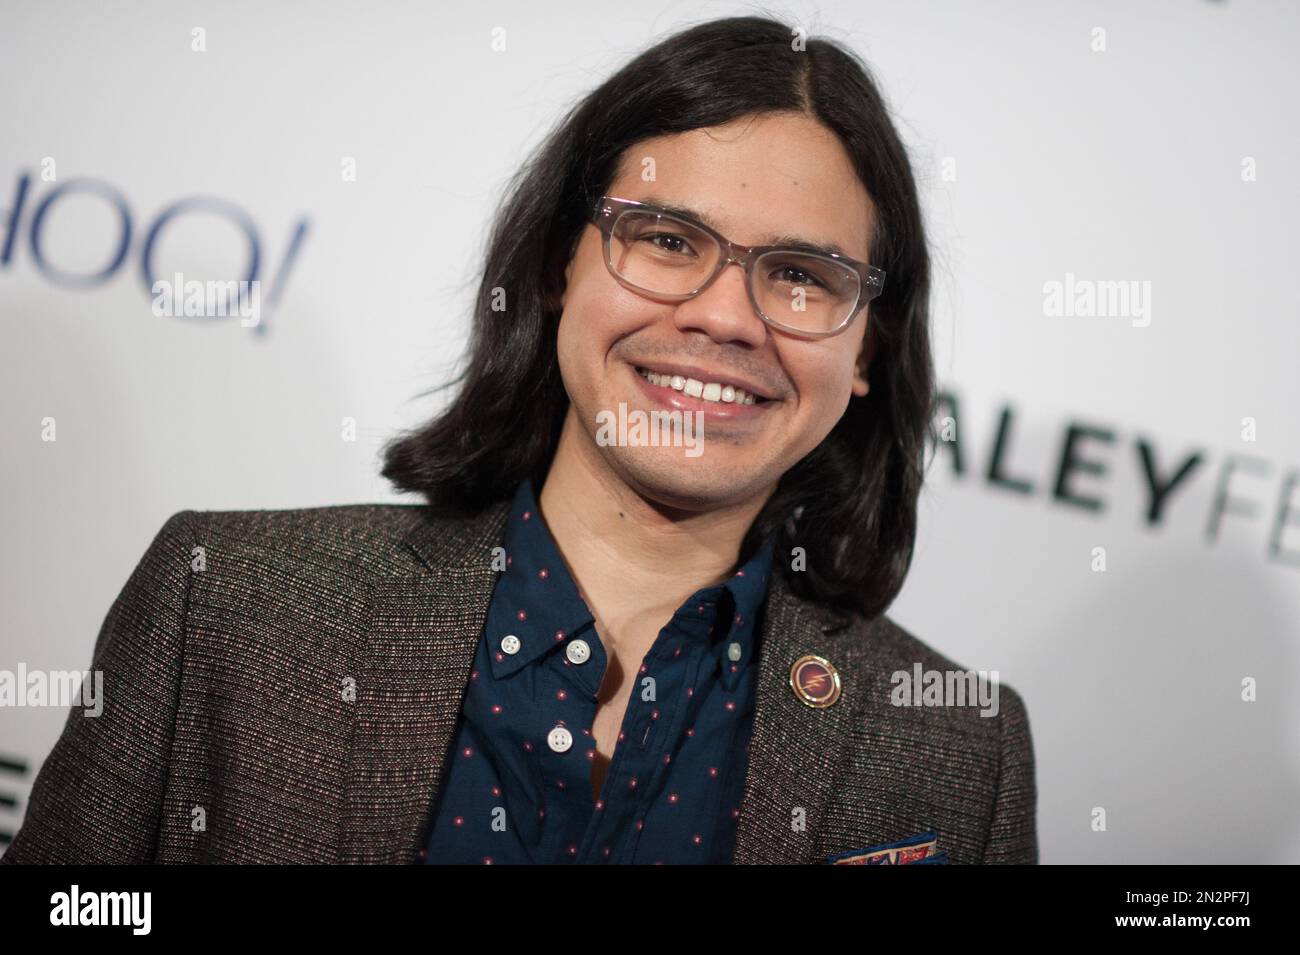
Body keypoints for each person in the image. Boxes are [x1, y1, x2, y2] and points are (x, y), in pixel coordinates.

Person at [3, 15, 1036, 865]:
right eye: (668, 240)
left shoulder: (953, 752)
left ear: (866, 351)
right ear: (556, 266)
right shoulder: (227, 603)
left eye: (801, 275)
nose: (726, 317)